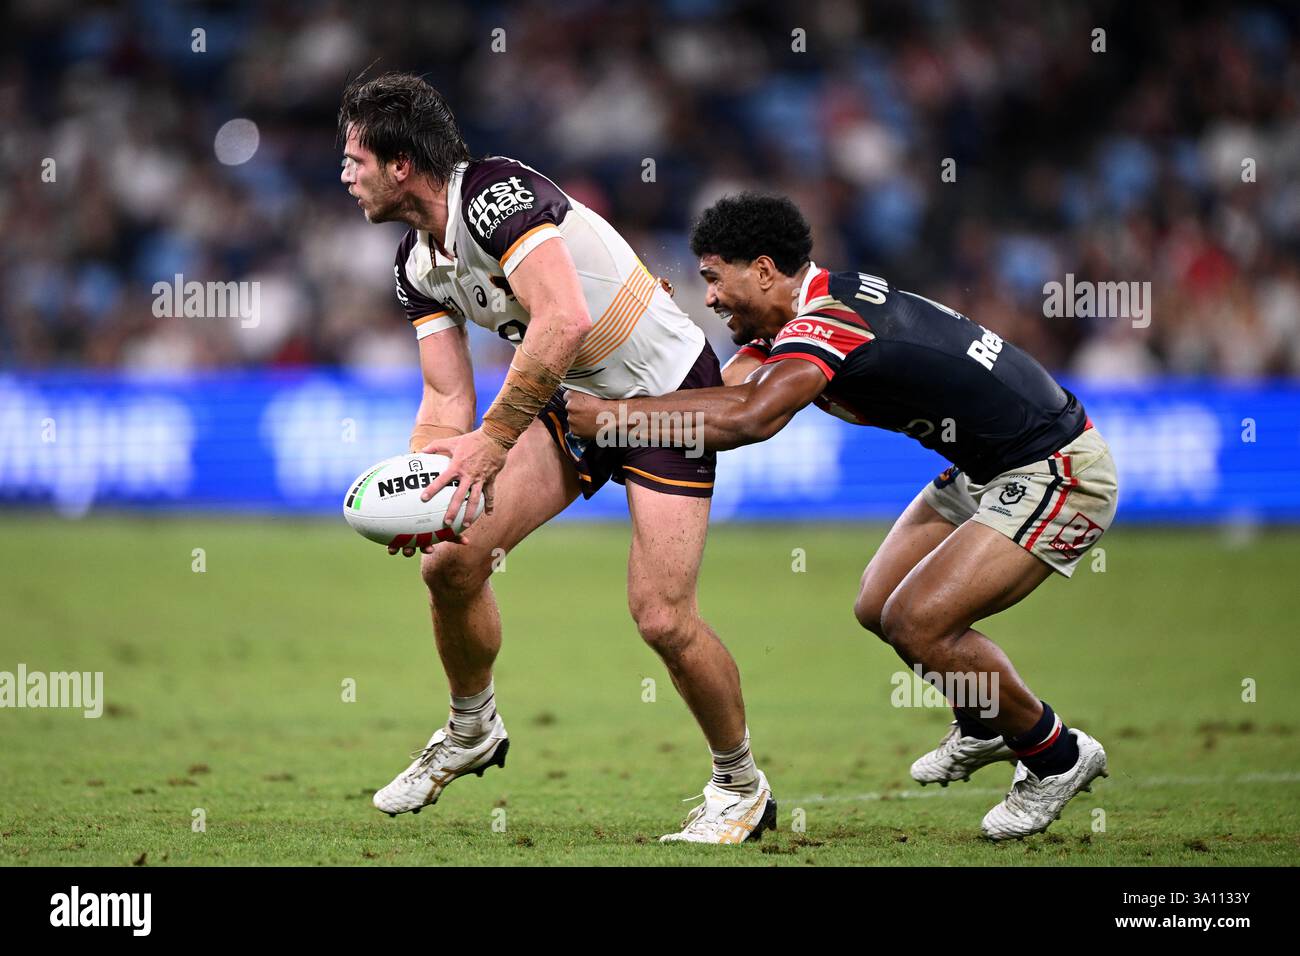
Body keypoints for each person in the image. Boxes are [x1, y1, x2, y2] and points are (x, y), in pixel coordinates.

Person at [564, 192, 1117, 840]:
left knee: (918, 622)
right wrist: (647, 330)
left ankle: (1055, 756)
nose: (709, 297)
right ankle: (984, 716)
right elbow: (719, 392)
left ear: (762, 270)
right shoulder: (804, 314)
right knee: (877, 604)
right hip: (986, 467)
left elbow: (751, 417)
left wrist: (610, 419)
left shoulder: (829, 321)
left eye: (714, 278)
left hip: (1055, 468)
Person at [337, 74, 775, 843]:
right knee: (450, 562)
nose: (345, 174)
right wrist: (426, 490)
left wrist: (493, 441)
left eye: (356, 159)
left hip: (665, 395)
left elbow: (564, 320)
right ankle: (472, 728)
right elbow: (445, 398)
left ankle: (741, 788)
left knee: (662, 617)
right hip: (570, 398)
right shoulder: (415, 265)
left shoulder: (495, 197)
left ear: (401, 165)